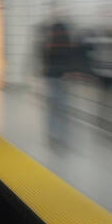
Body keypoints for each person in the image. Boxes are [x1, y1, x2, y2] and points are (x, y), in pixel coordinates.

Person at [39, 18, 77, 150]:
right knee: (63, 108)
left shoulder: (48, 42)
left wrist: (45, 72)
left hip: (51, 76)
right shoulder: (66, 41)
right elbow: (71, 57)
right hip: (63, 77)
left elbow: (44, 58)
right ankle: (63, 137)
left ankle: (52, 135)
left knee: (52, 107)